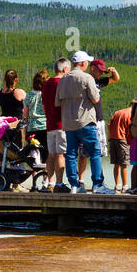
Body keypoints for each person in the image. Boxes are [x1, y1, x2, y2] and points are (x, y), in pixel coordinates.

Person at [55, 53, 103, 193]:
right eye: (87, 62)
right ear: (82, 63)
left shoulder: (62, 80)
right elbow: (95, 99)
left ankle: (74, 186)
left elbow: (57, 103)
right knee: (95, 152)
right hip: (86, 121)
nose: (87, 64)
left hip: (68, 123)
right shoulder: (87, 77)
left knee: (70, 154)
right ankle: (97, 185)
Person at [78, 57, 119, 184]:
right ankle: (81, 179)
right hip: (86, 120)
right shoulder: (85, 80)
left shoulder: (98, 81)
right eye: (99, 70)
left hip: (98, 120)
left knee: (99, 152)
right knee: (84, 153)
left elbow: (115, 79)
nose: (101, 73)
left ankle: (98, 179)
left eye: (102, 71)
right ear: (92, 68)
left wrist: (113, 71)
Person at [40, 58, 70, 191]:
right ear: (65, 69)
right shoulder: (63, 83)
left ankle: (48, 183)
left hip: (49, 124)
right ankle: (59, 183)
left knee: (51, 154)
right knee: (60, 154)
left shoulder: (46, 84)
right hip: (61, 123)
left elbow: (44, 103)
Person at [0, 69, 26, 157]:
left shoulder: (0, 93)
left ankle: (0, 169)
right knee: (17, 152)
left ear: (5, 79)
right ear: (16, 79)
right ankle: (17, 168)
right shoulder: (20, 93)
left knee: (2, 153)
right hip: (16, 126)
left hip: (3, 126)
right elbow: (28, 106)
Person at [24, 69, 48, 173]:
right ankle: (46, 180)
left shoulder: (28, 95)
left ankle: (34, 178)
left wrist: (25, 130)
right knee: (46, 155)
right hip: (45, 127)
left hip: (32, 128)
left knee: (34, 153)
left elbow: (25, 115)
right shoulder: (46, 95)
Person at [107, 102, 131, 191]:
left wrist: (111, 134)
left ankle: (117, 184)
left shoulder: (118, 112)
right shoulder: (130, 114)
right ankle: (125, 185)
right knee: (124, 164)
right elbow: (130, 128)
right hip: (123, 140)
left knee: (116, 163)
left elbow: (109, 124)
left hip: (113, 139)